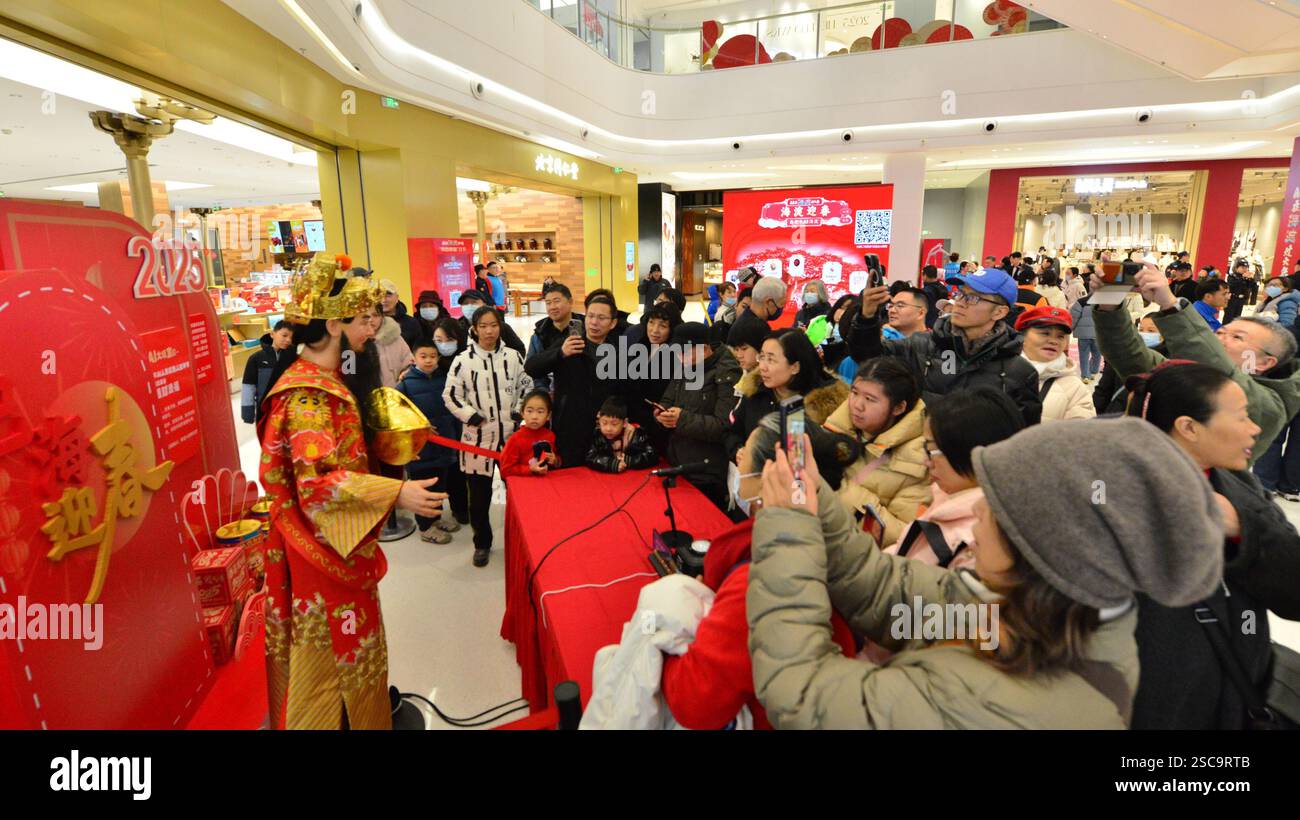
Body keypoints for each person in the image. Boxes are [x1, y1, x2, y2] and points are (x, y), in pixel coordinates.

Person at [746, 416, 1226, 729]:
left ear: (1036, 552)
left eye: (994, 510)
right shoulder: (1039, 611)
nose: (976, 516)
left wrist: (788, 530)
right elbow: (890, 593)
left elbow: (803, 693)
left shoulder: (991, 705)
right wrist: (813, 499)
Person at [258, 254, 446, 729]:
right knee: (331, 655)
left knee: (347, 648)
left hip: (336, 543)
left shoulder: (326, 381)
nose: (372, 328)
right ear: (335, 323)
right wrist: (395, 495)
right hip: (321, 552)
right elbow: (317, 486)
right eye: (364, 319)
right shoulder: (306, 398)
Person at [1123, 361, 1300, 729]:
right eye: (1241, 418)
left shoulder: (1239, 488)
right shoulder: (1114, 498)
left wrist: (1242, 529)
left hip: (1236, 693)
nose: (1256, 429)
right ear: (1188, 427)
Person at [660, 417, 858, 730]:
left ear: (772, 474)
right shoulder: (841, 540)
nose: (738, 455)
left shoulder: (759, 579)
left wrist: (665, 647)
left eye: (746, 451)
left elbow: (694, 703)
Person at [1093, 262, 1300, 459]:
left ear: (1265, 362)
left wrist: (1171, 305)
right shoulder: (1190, 376)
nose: (1220, 339)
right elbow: (1130, 355)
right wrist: (1109, 303)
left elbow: (1224, 373)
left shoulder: (1271, 406)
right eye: (1220, 332)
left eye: (1237, 337)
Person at [847, 266, 1042, 426]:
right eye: (960, 294)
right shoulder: (922, 346)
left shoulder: (1019, 373)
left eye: (973, 298)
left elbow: (1020, 440)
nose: (960, 303)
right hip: (917, 461)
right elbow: (867, 357)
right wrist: (867, 316)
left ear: (999, 312)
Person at [883, 387, 1025, 569]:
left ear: (970, 450)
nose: (927, 462)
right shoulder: (946, 498)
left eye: (932, 450)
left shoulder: (979, 543)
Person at [443, 303, 530, 567]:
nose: (489, 331)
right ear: (474, 328)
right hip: (477, 440)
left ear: (500, 326)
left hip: (510, 440)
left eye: (494, 325)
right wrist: (471, 416)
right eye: (483, 326)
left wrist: (518, 411)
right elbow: (451, 395)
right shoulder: (462, 360)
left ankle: (522, 542)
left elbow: (527, 385)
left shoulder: (513, 357)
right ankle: (482, 544)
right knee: (479, 500)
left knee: (517, 496)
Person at [822, 357, 929, 547]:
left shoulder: (919, 461)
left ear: (898, 408)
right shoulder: (835, 429)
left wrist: (838, 488)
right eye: (854, 393)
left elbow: (901, 537)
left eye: (870, 399)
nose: (857, 405)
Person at [524, 293, 625, 468]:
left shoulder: (617, 353)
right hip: (569, 429)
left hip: (603, 432)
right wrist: (560, 353)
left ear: (613, 323)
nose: (594, 322)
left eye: (601, 318)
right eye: (591, 316)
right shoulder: (568, 343)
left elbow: (623, 391)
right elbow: (532, 368)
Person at [725, 328, 847, 466]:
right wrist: (738, 450)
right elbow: (732, 431)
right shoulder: (756, 392)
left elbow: (836, 458)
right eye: (762, 357)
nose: (762, 367)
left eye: (771, 359)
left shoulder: (826, 406)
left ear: (795, 367)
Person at [654, 322, 742, 513]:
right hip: (678, 460)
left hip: (707, 471)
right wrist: (663, 412)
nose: (679, 356)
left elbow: (724, 426)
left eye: (683, 351)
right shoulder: (686, 364)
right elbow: (668, 398)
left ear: (703, 348)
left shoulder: (726, 373)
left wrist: (681, 419)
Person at [395, 339, 464, 544]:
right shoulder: (405, 384)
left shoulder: (444, 379)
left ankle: (436, 519)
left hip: (444, 444)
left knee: (439, 485)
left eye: (433, 356)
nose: (428, 360)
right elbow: (396, 414)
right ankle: (425, 528)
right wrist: (417, 425)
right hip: (420, 449)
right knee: (424, 488)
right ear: (414, 359)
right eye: (423, 356)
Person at [1014, 306, 1096, 421]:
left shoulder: (1075, 388)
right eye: (1045, 333)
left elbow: (1081, 433)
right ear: (1023, 337)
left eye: (1060, 336)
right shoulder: (1000, 372)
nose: (1053, 341)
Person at [626, 303, 681, 456]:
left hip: (658, 426)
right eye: (651, 323)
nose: (655, 330)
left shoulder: (676, 356)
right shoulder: (640, 345)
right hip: (632, 422)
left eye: (662, 325)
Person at [525, 282, 584, 391]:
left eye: (557, 301)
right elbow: (531, 368)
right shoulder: (540, 333)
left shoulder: (585, 328)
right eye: (548, 303)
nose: (552, 307)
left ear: (570, 302)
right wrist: (544, 392)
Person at [240, 320, 297, 424]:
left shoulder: (294, 358)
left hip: (290, 410)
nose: (288, 340)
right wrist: (247, 412)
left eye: (291, 337)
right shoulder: (256, 358)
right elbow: (248, 386)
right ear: (272, 334)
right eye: (284, 335)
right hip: (265, 409)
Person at [586, 396, 657, 473]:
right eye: (604, 423)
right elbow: (590, 457)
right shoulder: (598, 434)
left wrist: (630, 461)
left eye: (614, 424)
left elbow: (653, 455)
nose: (608, 428)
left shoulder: (636, 434)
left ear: (625, 423)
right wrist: (611, 464)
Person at [499, 389, 560, 478]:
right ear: (522, 413)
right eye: (529, 411)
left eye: (540, 412)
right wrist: (530, 469)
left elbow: (557, 461)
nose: (534, 417)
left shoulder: (550, 436)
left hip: (546, 485)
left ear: (548, 416)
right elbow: (505, 470)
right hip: (523, 486)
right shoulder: (515, 439)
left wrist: (555, 461)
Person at [457, 289, 525, 355]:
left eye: (474, 302)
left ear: (484, 304)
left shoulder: (502, 327)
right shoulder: (457, 328)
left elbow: (519, 349)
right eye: (465, 303)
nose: (469, 306)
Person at [373, 296, 413, 389]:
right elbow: (348, 374)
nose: (371, 320)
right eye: (366, 316)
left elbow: (410, 365)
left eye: (375, 315)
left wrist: (402, 381)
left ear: (382, 317)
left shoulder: (396, 338)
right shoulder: (353, 343)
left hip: (396, 395)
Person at [1070, 279, 1101, 383]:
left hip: (1083, 335)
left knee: (1084, 354)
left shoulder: (1081, 302)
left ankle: (1085, 375)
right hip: (1098, 334)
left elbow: (1073, 317)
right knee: (1097, 354)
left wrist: (1070, 328)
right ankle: (1093, 371)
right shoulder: (1105, 303)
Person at [379, 278, 422, 349]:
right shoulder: (372, 323)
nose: (383, 300)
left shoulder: (411, 323)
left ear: (397, 298)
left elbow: (418, 351)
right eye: (380, 295)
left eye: (388, 295)